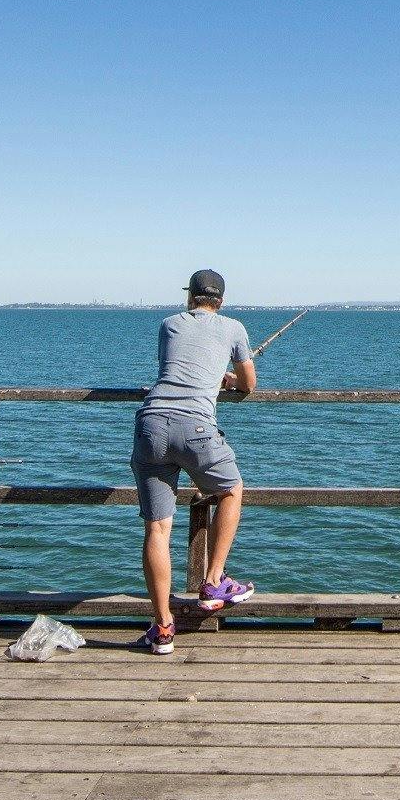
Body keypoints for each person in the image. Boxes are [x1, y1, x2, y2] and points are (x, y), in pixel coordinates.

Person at [128, 269, 258, 654]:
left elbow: (178, 369)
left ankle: (163, 627)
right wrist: (228, 381)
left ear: (190, 297)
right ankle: (214, 581)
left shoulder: (169, 325)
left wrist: (214, 376)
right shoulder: (234, 329)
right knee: (232, 490)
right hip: (197, 428)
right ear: (220, 300)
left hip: (151, 423)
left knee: (157, 528)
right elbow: (248, 384)